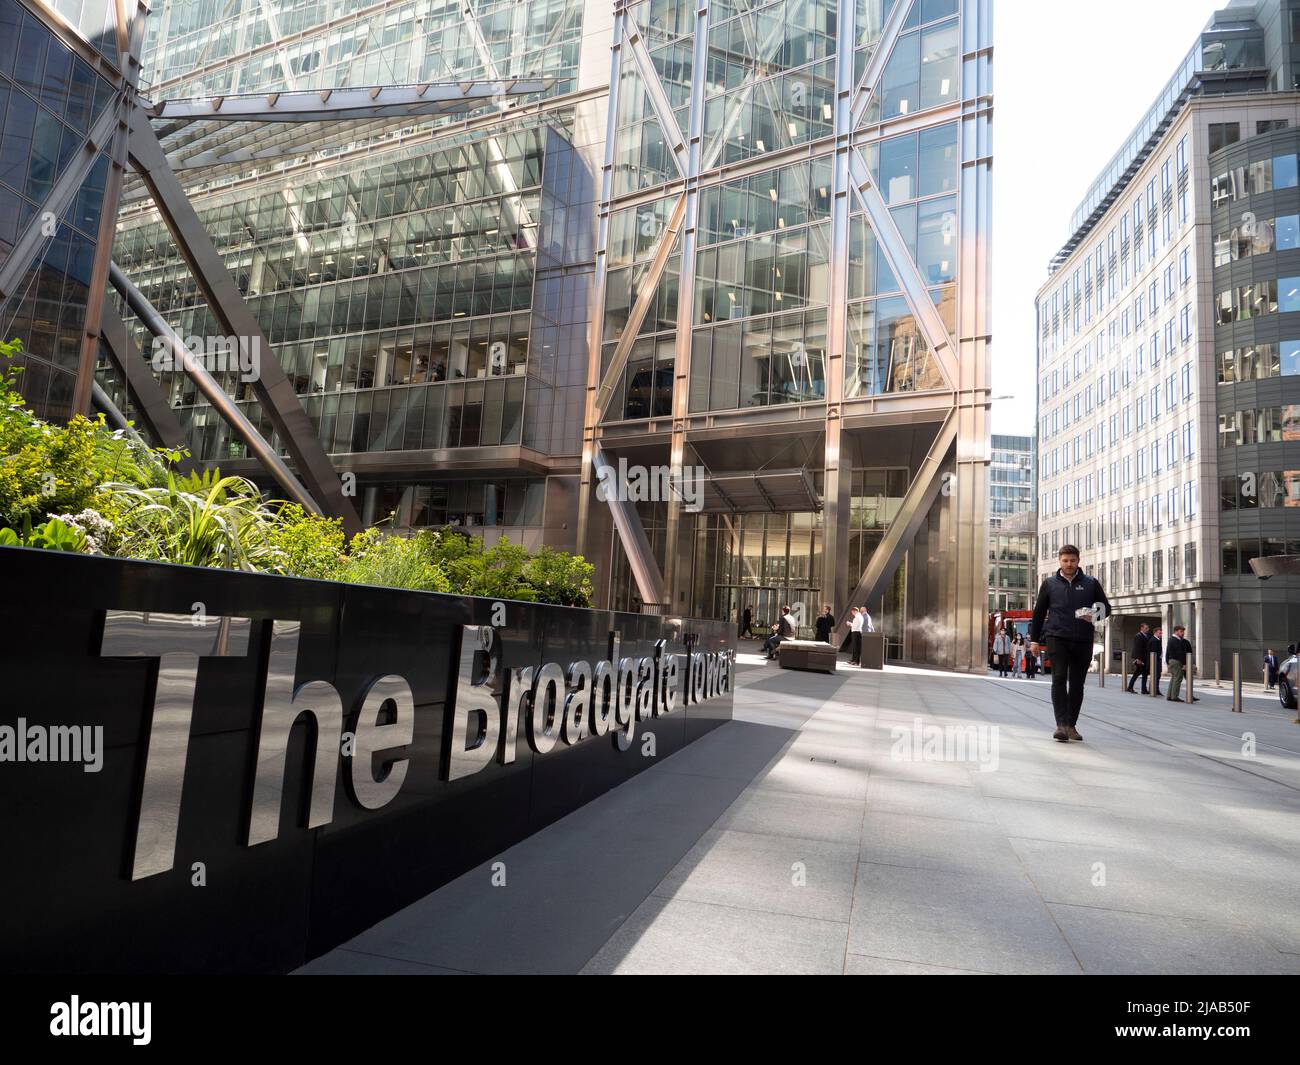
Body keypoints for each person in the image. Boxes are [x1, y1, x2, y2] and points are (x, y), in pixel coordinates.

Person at [1030, 544, 1112, 743]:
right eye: (1065, 560)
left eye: (1072, 560)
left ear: (1078, 561)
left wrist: (1093, 614)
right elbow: (1039, 613)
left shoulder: (1091, 583)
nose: (1069, 564)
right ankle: (1060, 725)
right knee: (1058, 678)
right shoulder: (1049, 584)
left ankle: (1071, 725)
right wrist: (1033, 640)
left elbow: (1106, 608)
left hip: (1083, 639)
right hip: (1056, 637)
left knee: (1077, 684)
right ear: (1059, 561)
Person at [1165, 625, 1198, 702]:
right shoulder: (1175, 640)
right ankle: (1174, 696)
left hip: (1173, 660)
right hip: (1176, 661)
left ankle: (1170, 695)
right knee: (1178, 678)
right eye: (1181, 631)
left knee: (1174, 678)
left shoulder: (1173, 639)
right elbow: (1179, 653)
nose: (1183, 633)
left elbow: (1168, 652)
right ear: (1176, 631)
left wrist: (1168, 661)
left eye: (1183, 631)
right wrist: (1184, 664)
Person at [1127, 624, 1150, 694]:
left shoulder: (1146, 636)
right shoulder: (1138, 636)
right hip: (1140, 658)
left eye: (1148, 628)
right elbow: (1138, 648)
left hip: (1144, 658)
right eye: (1146, 628)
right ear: (1141, 628)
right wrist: (1138, 659)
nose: (1147, 629)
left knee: (1145, 674)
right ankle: (1130, 687)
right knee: (1137, 673)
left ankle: (1143, 689)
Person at [1149, 627, 1164, 697]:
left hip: (1157, 660)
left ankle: (1155, 689)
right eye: (1160, 633)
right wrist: (1159, 657)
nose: (1161, 634)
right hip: (1155, 661)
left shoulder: (1157, 639)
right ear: (1155, 633)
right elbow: (1154, 651)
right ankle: (1154, 689)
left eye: (1161, 633)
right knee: (1156, 675)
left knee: (1157, 675)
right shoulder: (1154, 640)